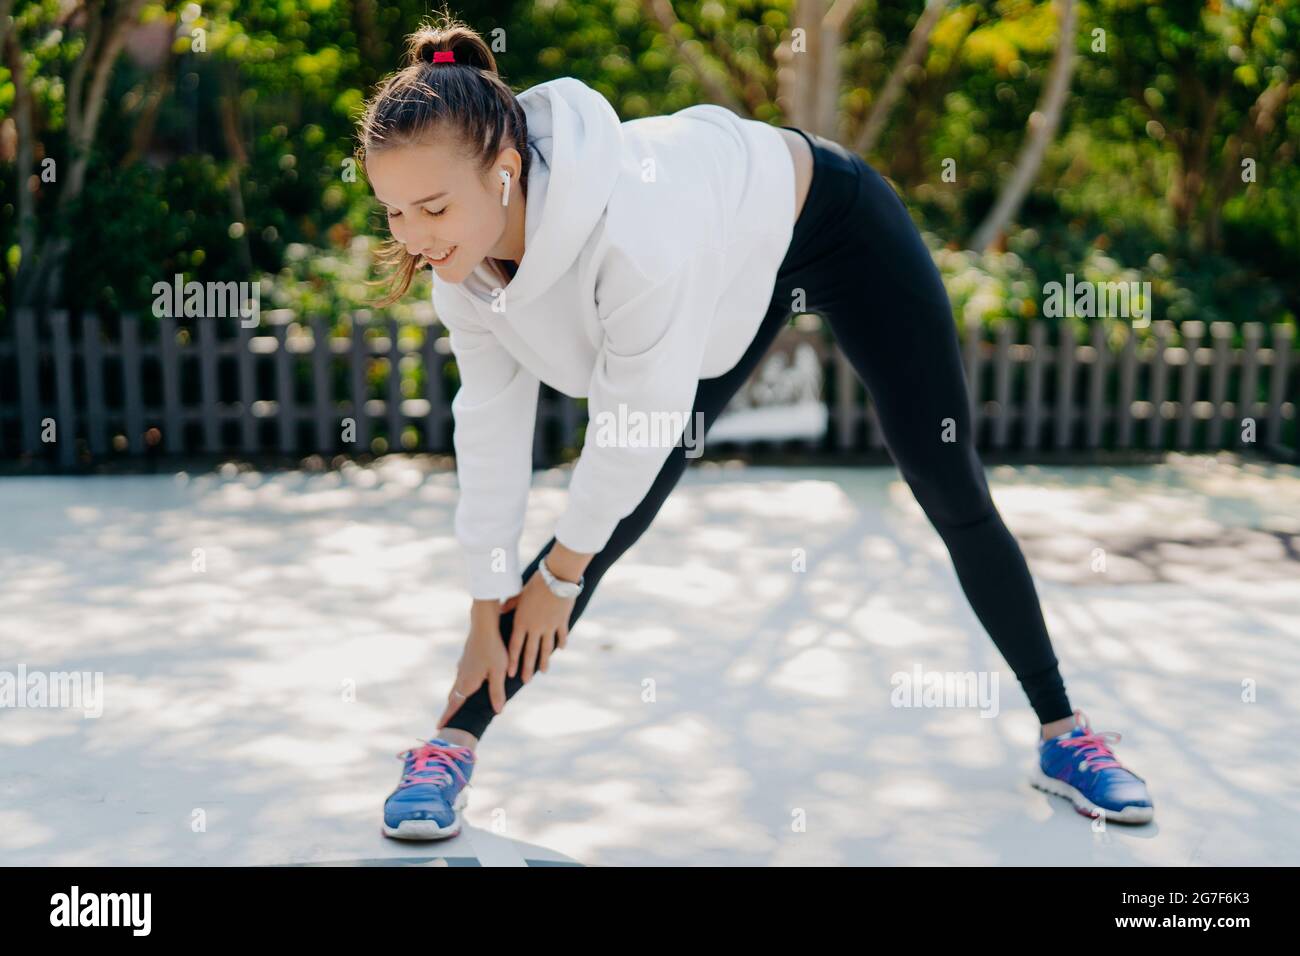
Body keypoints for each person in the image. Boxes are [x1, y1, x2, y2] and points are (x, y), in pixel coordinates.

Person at [357, 14, 1154, 841]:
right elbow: (489, 427)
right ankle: (450, 744)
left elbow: (633, 428)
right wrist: (487, 602)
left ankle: (1067, 736)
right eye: (394, 213)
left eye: (431, 207)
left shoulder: (636, 237)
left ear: (504, 172)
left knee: (946, 481)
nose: (412, 237)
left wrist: (558, 575)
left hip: (830, 219)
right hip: (729, 257)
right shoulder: (458, 266)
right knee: (610, 519)